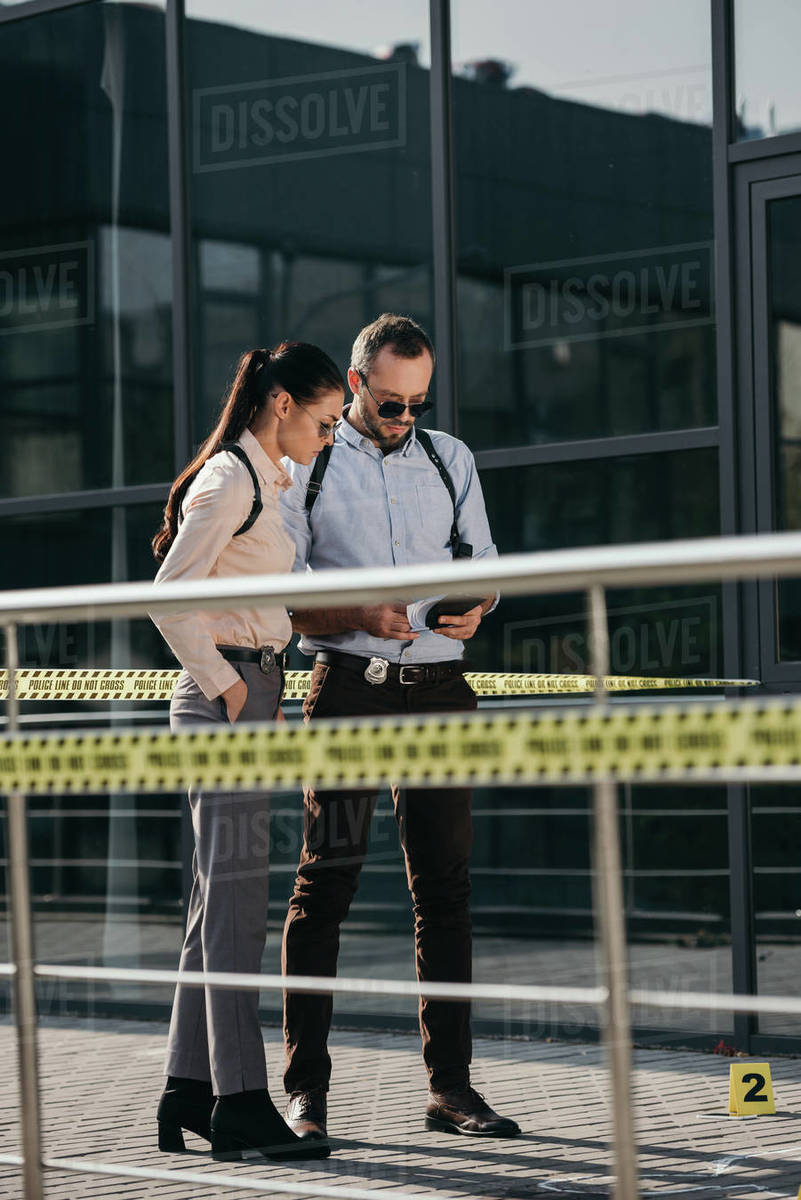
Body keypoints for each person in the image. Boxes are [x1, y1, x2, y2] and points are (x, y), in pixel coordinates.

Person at [279, 313, 520, 1145]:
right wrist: (359, 613)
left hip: (440, 691)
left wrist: (477, 607)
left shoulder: (450, 458)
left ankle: (449, 1091)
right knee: (326, 886)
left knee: (445, 895)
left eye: (418, 402)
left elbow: (484, 561)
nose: (405, 417)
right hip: (349, 691)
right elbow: (282, 598)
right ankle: (305, 1093)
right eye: (390, 403)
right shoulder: (306, 465)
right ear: (355, 385)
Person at [149, 341, 344, 1162]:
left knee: (212, 908)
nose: (331, 436)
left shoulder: (269, 480)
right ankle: (242, 1102)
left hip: (252, 693)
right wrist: (229, 686)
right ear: (282, 405)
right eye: (327, 420)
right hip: (226, 701)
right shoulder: (232, 479)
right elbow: (167, 595)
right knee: (235, 913)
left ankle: (186, 1092)